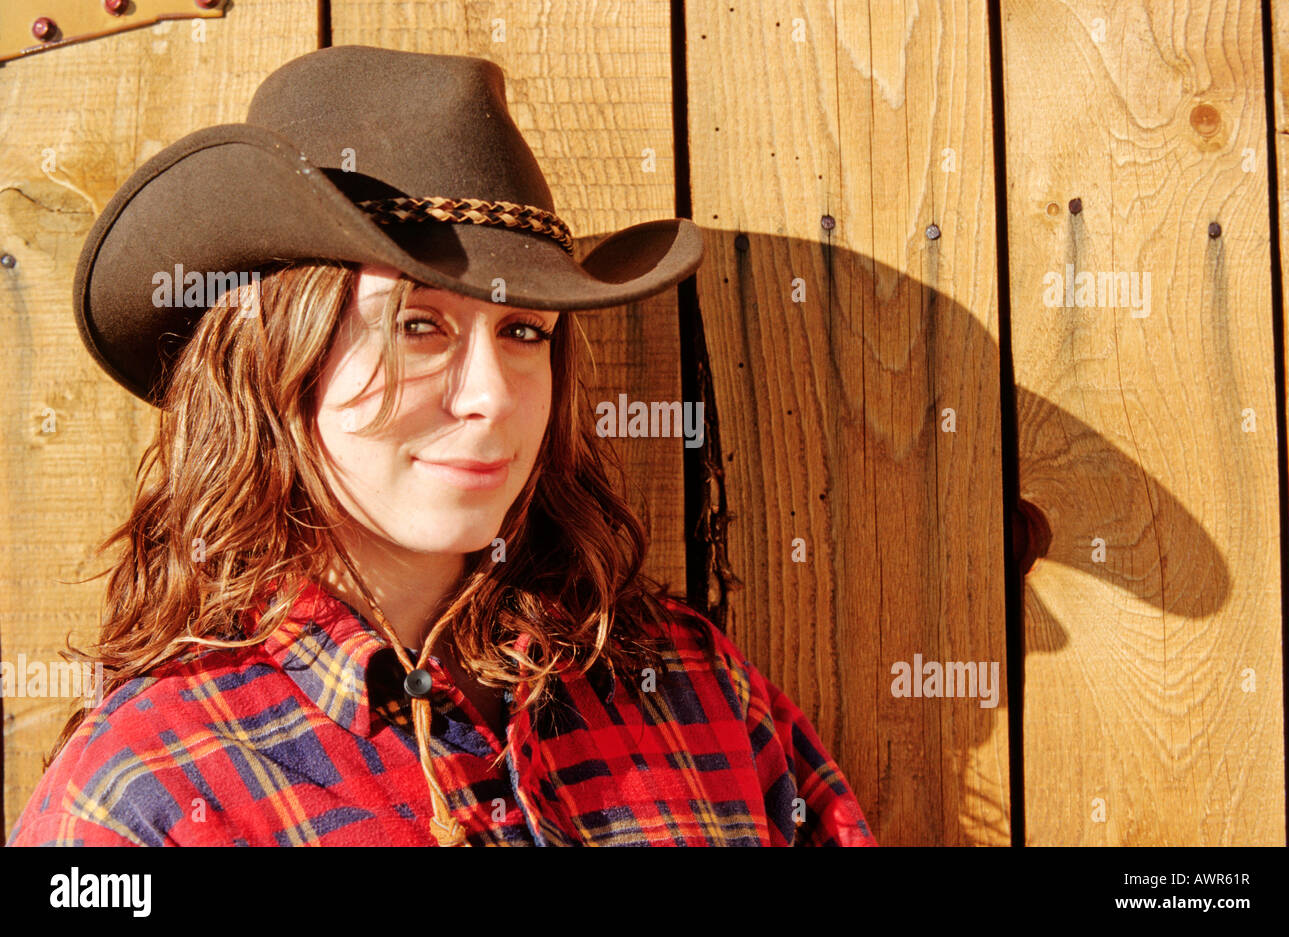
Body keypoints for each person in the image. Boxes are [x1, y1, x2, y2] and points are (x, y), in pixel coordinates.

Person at [5, 45, 876, 847]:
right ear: (272, 362)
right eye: (418, 325)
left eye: (525, 333)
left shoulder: (693, 686)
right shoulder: (151, 792)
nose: (491, 397)